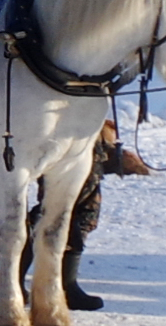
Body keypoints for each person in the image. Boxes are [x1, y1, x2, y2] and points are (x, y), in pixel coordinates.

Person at [23, 120, 153, 311]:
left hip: (83, 128)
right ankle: (64, 285)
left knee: (78, 208)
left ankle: (41, 280)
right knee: (67, 208)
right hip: (70, 132)